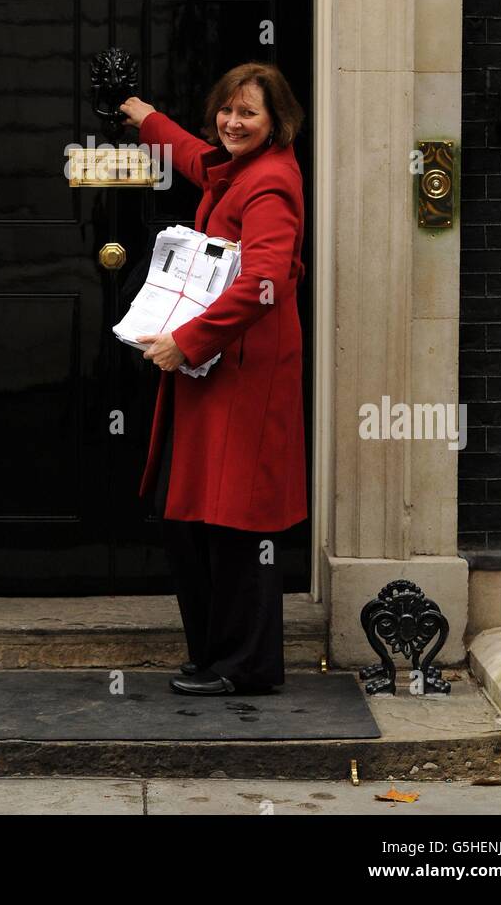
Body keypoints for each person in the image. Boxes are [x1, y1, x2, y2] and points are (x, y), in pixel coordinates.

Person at [119, 63, 307, 696]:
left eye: (248, 113)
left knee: (238, 522)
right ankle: (214, 654)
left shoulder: (271, 184)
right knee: (193, 513)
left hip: (245, 378)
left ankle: (244, 666)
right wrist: (143, 115)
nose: (233, 122)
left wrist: (186, 341)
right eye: (227, 110)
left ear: (276, 121)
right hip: (216, 375)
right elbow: (198, 159)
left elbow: (266, 283)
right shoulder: (238, 169)